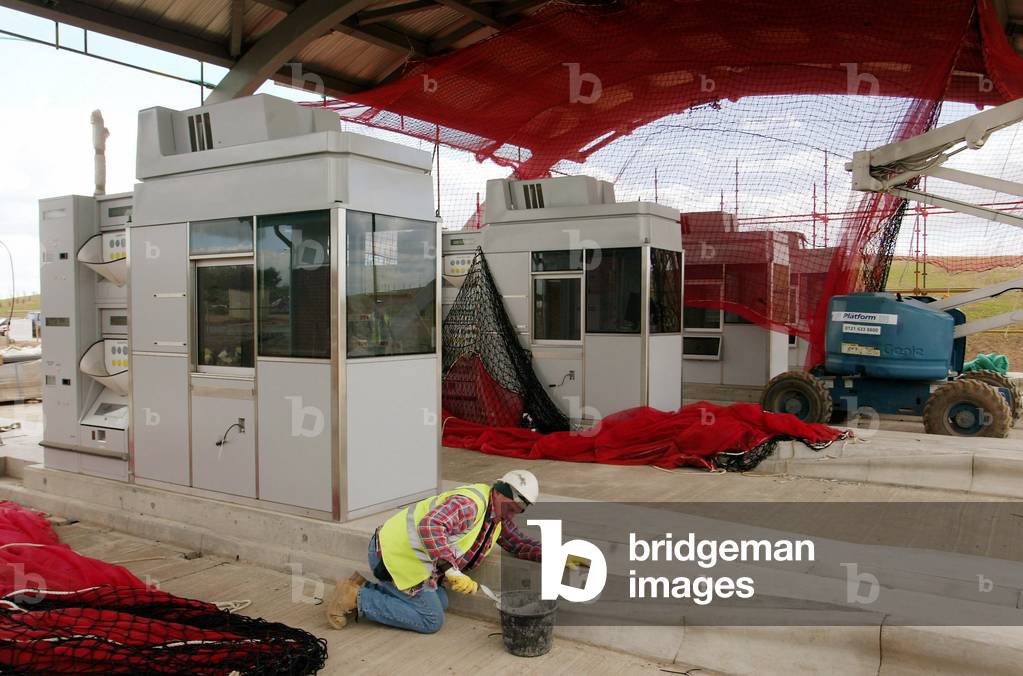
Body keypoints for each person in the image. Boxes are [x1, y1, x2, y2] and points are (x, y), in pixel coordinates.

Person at [326, 469, 578, 633]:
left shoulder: (497, 518)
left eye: (519, 511)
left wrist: (557, 554)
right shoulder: (471, 504)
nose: (512, 514)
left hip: (413, 561)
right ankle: (357, 599)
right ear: (500, 494)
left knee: (442, 601)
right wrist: (451, 569)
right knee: (430, 620)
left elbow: (519, 544)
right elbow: (431, 524)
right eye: (512, 507)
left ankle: (359, 586)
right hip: (392, 556)